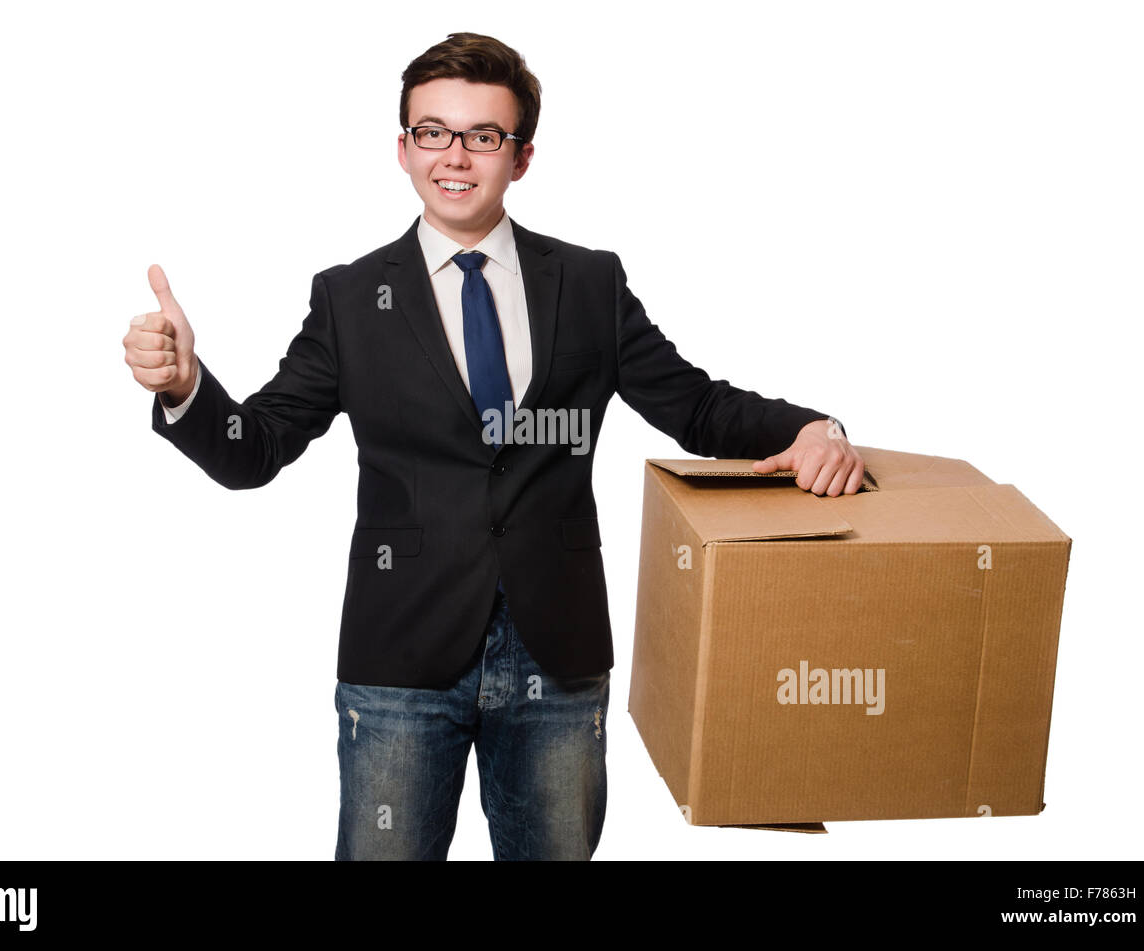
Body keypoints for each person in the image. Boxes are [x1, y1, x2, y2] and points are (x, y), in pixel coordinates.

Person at [121, 32, 866, 861]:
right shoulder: (348, 299)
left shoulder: (588, 284)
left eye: (484, 137)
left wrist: (810, 426)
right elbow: (252, 449)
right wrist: (187, 388)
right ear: (402, 149)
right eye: (433, 132)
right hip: (400, 658)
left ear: (523, 156)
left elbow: (694, 403)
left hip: (557, 655)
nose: (456, 156)